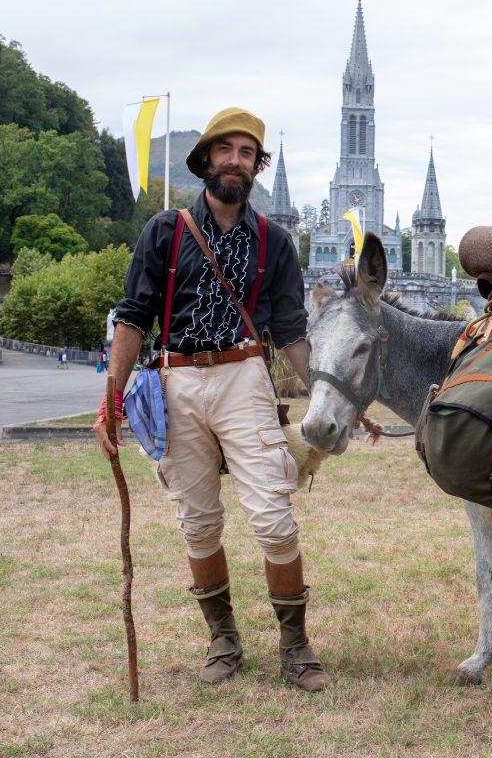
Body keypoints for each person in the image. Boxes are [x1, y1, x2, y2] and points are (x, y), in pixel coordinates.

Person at [94, 107, 323, 692]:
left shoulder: (275, 241)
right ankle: (223, 638)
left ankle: (295, 646)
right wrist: (110, 399)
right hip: (173, 381)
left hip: (243, 373)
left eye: (247, 154)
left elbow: (293, 330)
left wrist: (328, 396)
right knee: (197, 523)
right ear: (206, 159)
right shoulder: (164, 232)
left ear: (255, 167)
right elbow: (134, 317)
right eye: (227, 150)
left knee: (274, 518)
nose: (236, 161)